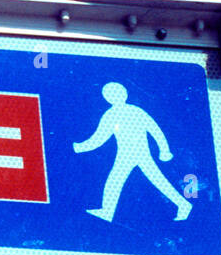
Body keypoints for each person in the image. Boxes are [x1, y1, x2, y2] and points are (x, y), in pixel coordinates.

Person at [73, 82, 191, 223]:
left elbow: (154, 129)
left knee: (129, 180)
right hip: (129, 154)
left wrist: (164, 150)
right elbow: (100, 137)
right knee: (121, 181)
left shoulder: (127, 113)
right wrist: (81, 147)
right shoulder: (117, 114)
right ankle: (107, 211)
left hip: (134, 154)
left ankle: (183, 204)